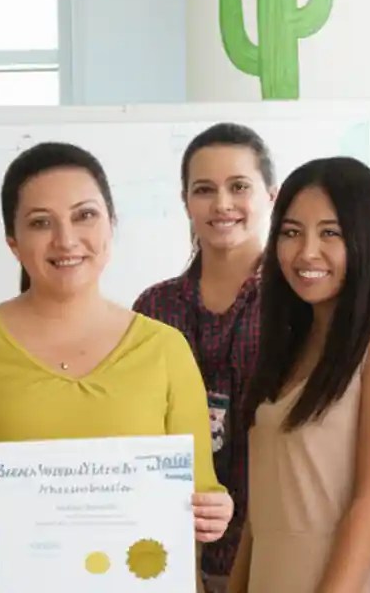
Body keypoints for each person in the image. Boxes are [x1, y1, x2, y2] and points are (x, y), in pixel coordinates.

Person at [0, 141, 235, 593]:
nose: (66, 239)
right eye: (40, 223)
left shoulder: (165, 349)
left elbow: (200, 487)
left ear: (111, 226)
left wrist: (216, 509)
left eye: (84, 215)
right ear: (13, 242)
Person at [230, 156, 370, 593]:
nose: (306, 253)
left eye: (330, 233)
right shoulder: (286, 348)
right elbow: (262, 514)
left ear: (366, 240)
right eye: (291, 232)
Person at [134, 123, 276, 593]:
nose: (222, 205)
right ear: (185, 201)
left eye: (239, 187)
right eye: (204, 190)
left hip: (273, 555)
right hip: (169, 562)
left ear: (271, 194)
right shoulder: (154, 310)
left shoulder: (295, 304)